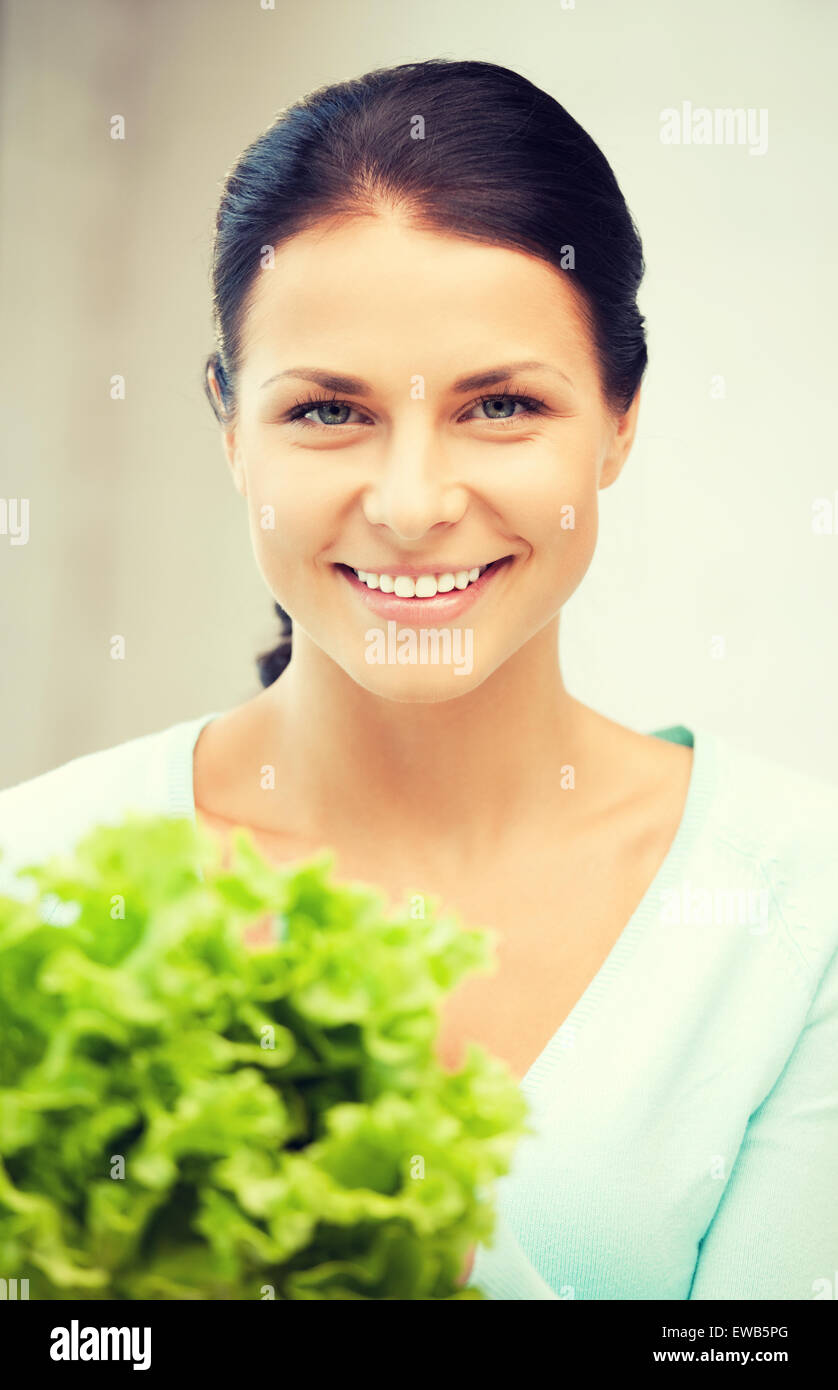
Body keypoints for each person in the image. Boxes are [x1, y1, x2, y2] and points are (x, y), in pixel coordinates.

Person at [1, 58, 836, 1301]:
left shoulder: (801, 906)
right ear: (229, 425)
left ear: (619, 417)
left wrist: (407, 1221)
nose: (409, 504)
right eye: (326, 412)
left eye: (498, 405)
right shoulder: (30, 877)